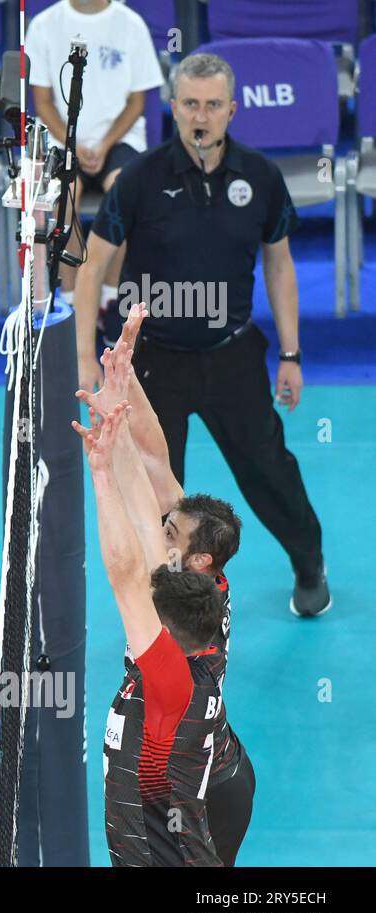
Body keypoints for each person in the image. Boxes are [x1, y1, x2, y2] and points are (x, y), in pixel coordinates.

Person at [74, 52, 329, 618]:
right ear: (173, 108)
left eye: (213, 105)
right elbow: (91, 265)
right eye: (190, 103)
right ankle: (161, 604)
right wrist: (85, 359)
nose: (201, 115)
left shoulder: (260, 176)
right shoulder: (141, 177)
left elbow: (280, 265)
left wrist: (291, 353)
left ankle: (309, 563)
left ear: (232, 110)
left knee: (268, 471)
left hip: (231, 355)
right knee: (155, 493)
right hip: (153, 363)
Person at [80, 303, 254, 866]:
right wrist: (124, 382)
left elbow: (129, 571)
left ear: (198, 559)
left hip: (199, 795)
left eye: (171, 532)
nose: (161, 527)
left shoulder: (168, 631)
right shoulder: (206, 581)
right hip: (223, 769)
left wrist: (106, 463)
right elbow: (155, 462)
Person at [75, 403, 226, 866]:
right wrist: (116, 428)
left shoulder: (169, 683)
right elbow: (148, 520)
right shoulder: (210, 594)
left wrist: (102, 474)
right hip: (213, 785)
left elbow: (124, 573)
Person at [26, 0, 163, 303]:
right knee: (64, 197)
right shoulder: (43, 25)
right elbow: (43, 103)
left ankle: (109, 297)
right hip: (63, 140)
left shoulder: (131, 24)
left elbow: (136, 103)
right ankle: (73, 296)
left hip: (120, 139)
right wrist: (73, 144)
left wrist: (104, 144)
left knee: (123, 192)